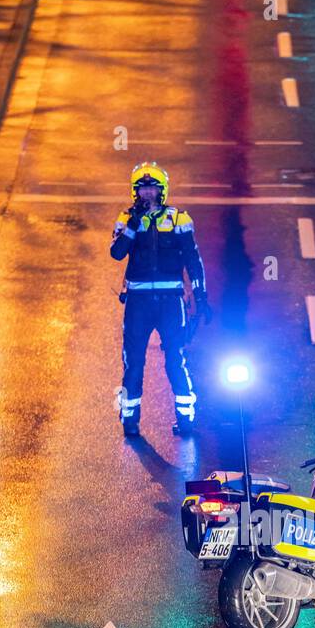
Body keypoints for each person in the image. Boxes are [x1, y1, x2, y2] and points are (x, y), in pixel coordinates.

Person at [110, 162, 211, 437]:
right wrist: (133, 224)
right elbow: (117, 252)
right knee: (134, 362)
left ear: (162, 191)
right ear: (135, 192)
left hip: (170, 302)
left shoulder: (179, 219)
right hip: (138, 304)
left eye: (152, 188)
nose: (147, 194)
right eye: (142, 189)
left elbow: (193, 261)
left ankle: (186, 418)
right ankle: (130, 420)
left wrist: (201, 297)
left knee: (175, 359)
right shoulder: (126, 218)